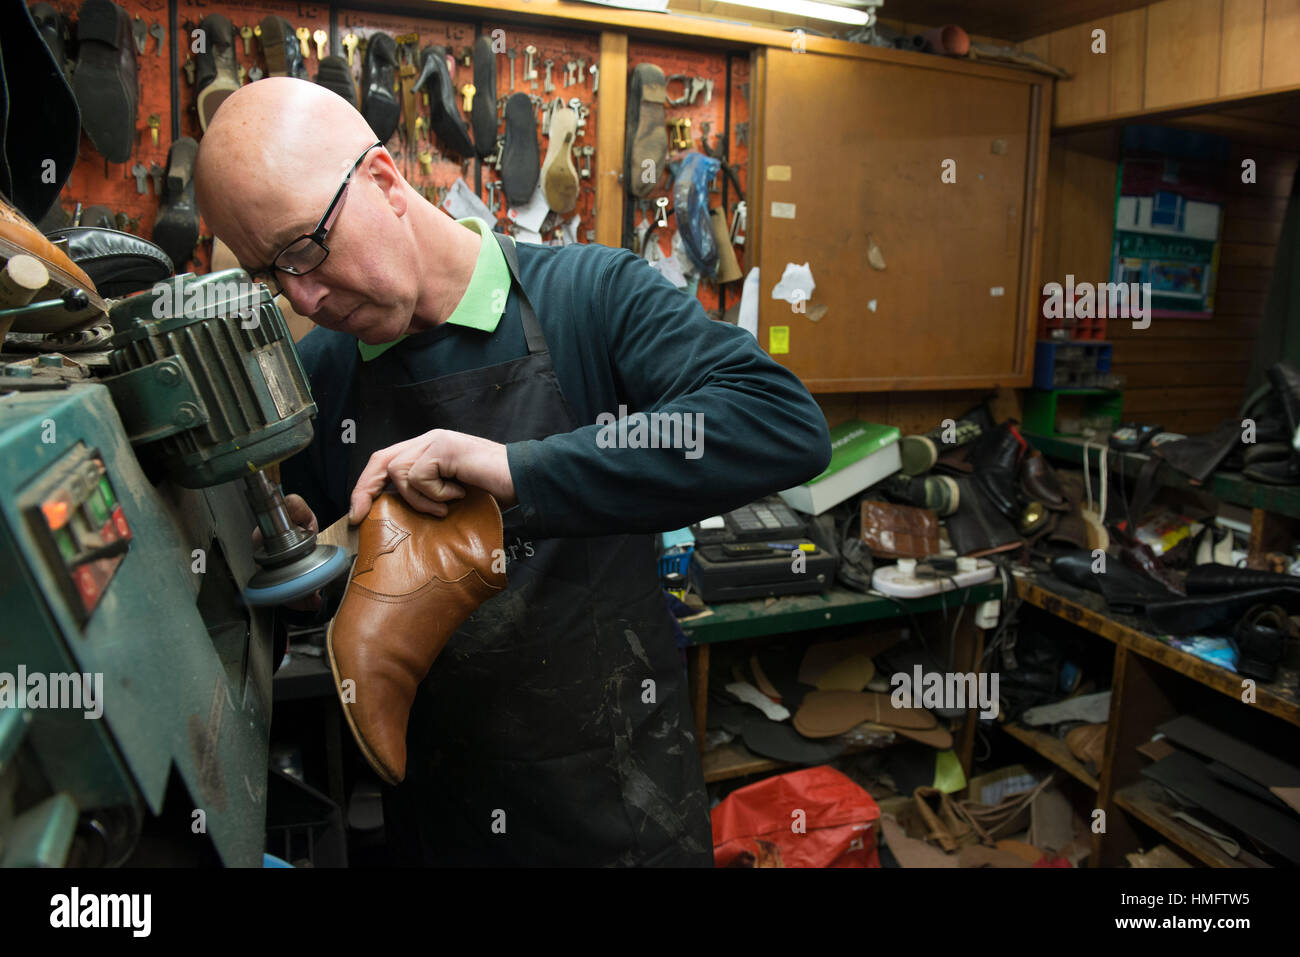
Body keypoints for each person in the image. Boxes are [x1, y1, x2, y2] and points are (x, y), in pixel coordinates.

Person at [196, 77, 831, 866]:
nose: (305, 294)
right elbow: (321, 601)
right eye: (271, 274)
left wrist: (514, 468)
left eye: (303, 248)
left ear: (385, 181)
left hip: (621, 814)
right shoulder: (318, 375)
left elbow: (780, 423)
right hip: (441, 822)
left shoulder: (591, 298)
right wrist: (307, 558)